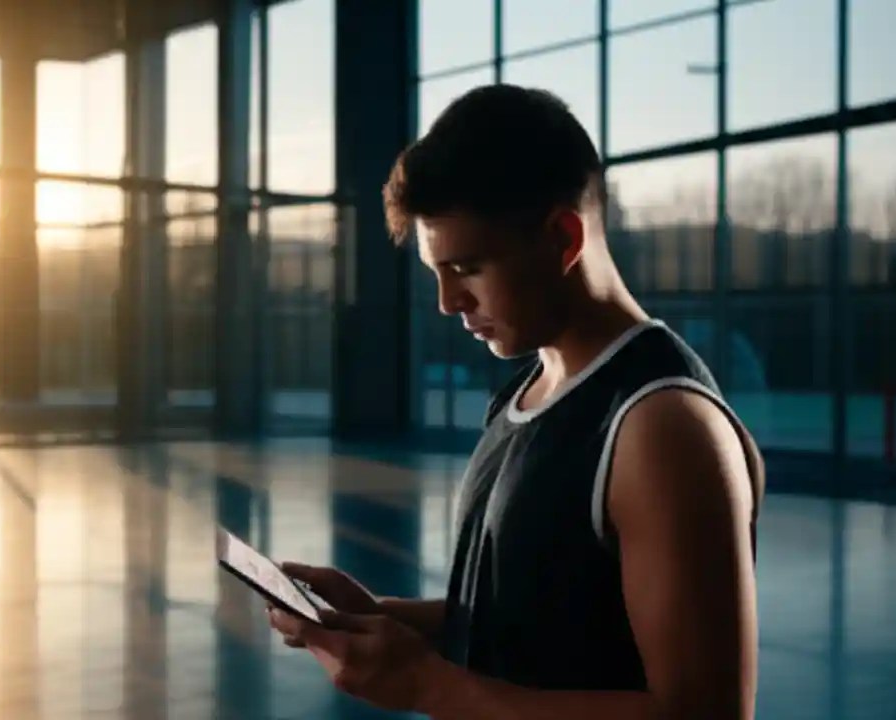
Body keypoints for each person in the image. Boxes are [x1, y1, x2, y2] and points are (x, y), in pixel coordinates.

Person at [267, 85, 766, 719]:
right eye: (437, 273)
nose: (449, 302)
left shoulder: (663, 427)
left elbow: (706, 715)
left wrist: (429, 687)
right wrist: (381, 620)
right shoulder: (525, 392)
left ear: (563, 238)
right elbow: (536, 623)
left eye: (469, 269)